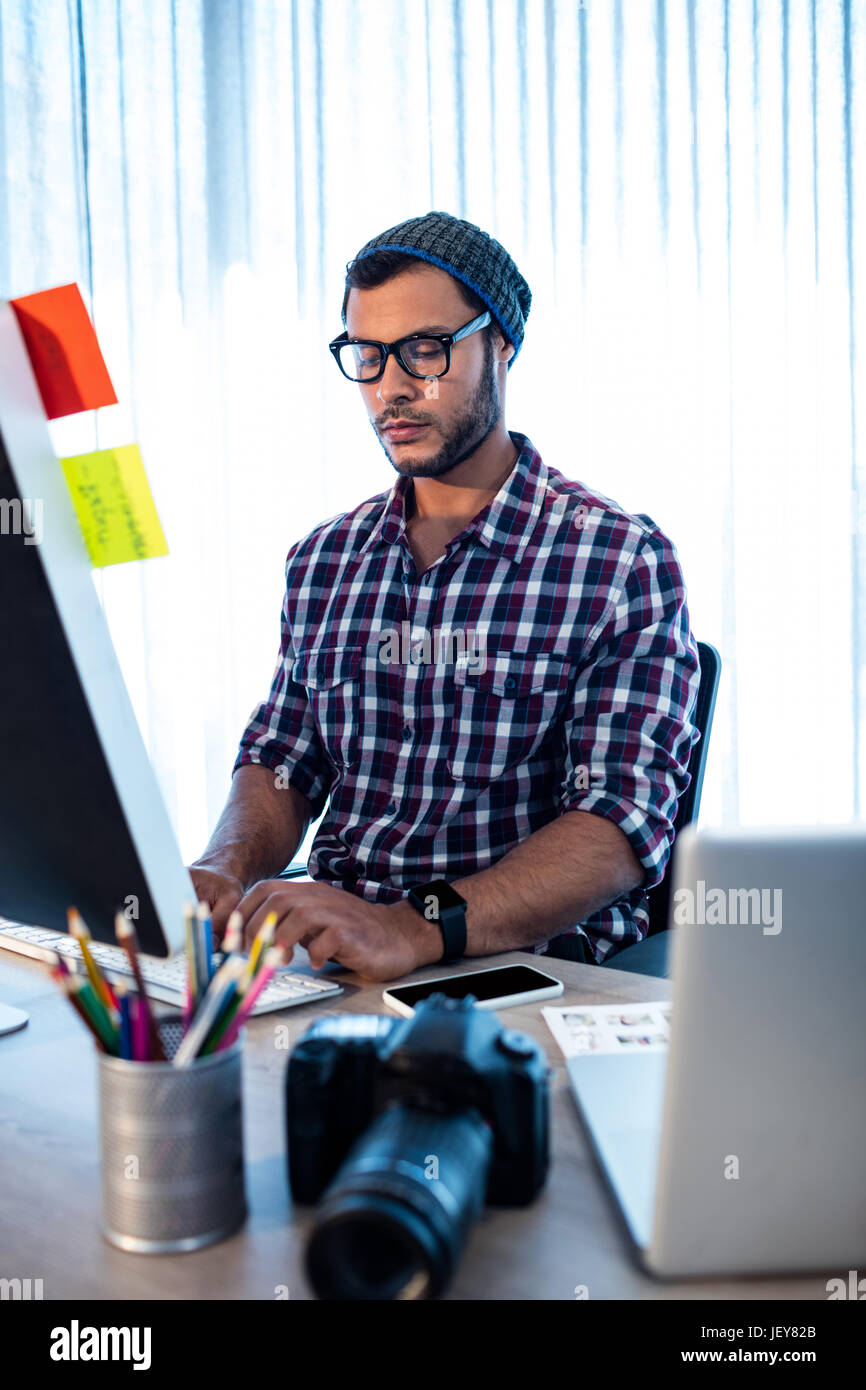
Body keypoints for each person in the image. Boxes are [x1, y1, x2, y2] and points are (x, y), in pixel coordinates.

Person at [189, 211, 699, 980]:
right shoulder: (324, 561)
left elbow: (618, 829)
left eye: (425, 351)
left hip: (525, 970)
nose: (392, 387)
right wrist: (225, 872)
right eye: (367, 355)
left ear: (501, 344)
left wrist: (409, 926)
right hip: (335, 961)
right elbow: (282, 758)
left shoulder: (618, 560)